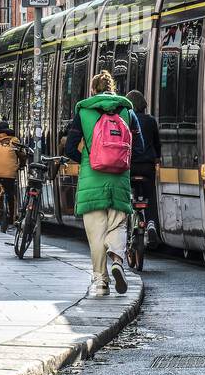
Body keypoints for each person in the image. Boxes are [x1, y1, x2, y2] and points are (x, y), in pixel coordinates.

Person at [63, 70, 136, 296]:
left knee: (96, 234)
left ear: (92, 90)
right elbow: (139, 147)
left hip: (91, 180)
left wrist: (87, 160)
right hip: (119, 180)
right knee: (118, 226)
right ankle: (117, 262)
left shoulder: (83, 112)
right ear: (113, 89)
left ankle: (100, 281)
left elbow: (69, 147)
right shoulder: (126, 111)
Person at [125, 90, 162, 238]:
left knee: (126, 194)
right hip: (147, 166)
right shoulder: (151, 120)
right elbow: (157, 144)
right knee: (150, 195)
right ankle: (152, 224)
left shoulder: (126, 120)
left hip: (130, 166)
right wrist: (157, 158)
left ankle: (127, 223)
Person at [0, 120, 26, 225]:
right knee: (10, 193)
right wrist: (22, 165)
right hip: (10, 172)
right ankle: (11, 217)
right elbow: (22, 155)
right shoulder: (14, 140)